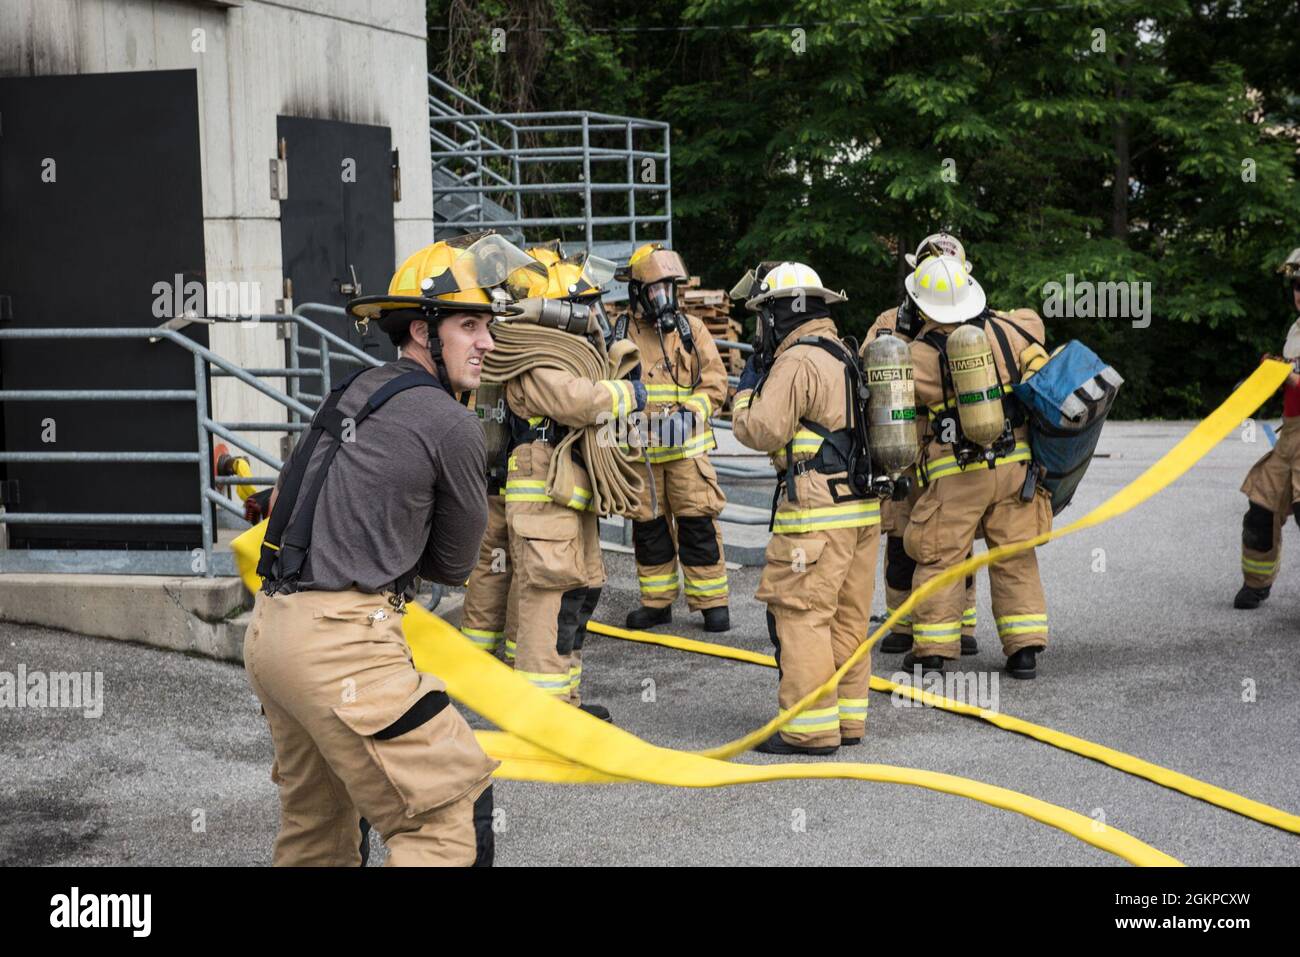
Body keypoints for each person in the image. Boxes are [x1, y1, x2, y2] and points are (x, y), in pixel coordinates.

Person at [244, 233, 539, 866]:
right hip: (345, 647)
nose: (488, 342)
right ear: (419, 330)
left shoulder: (350, 393)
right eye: (468, 324)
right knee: (445, 813)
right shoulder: (451, 423)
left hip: (272, 638)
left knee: (317, 831)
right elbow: (454, 567)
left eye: (488, 325)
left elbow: (306, 502)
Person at [732, 261, 880, 755]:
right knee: (847, 617)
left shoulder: (797, 361)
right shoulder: (845, 351)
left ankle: (810, 729)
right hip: (860, 510)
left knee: (801, 615)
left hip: (816, 514)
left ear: (778, 316)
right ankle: (848, 720)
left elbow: (763, 430)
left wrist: (744, 396)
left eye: (763, 318)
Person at [492, 248, 646, 719]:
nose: (588, 316)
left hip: (565, 488)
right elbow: (579, 403)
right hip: (544, 491)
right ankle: (543, 715)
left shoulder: (563, 354)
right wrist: (627, 391)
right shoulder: (534, 357)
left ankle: (564, 702)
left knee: (577, 591)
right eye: (577, 306)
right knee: (548, 596)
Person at [901, 253, 1052, 679]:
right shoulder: (1010, 331)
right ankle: (1024, 650)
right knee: (1014, 555)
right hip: (1016, 465)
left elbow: (903, 413)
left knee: (940, 557)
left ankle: (933, 652)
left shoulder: (916, 355)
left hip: (957, 473)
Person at [866, 234, 979, 656]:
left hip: (949, 452)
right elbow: (867, 366)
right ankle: (903, 625)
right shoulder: (888, 320)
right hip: (899, 448)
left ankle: (961, 626)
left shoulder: (971, 321)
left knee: (952, 542)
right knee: (900, 538)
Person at [614, 243, 732, 632]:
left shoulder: (690, 330)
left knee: (697, 525)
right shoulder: (620, 335)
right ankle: (657, 602)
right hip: (642, 455)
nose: (661, 298)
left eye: (667, 288)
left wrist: (692, 413)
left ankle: (712, 602)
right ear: (637, 292)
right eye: (653, 290)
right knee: (650, 531)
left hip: (686, 454)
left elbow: (715, 383)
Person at [1234, 246, 1300, 609]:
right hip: (1291, 434)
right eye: (1296, 285)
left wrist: (1291, 377)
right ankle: (1257, 583)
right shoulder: (1297, 329)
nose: (1299, 293)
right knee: (1260, 508)